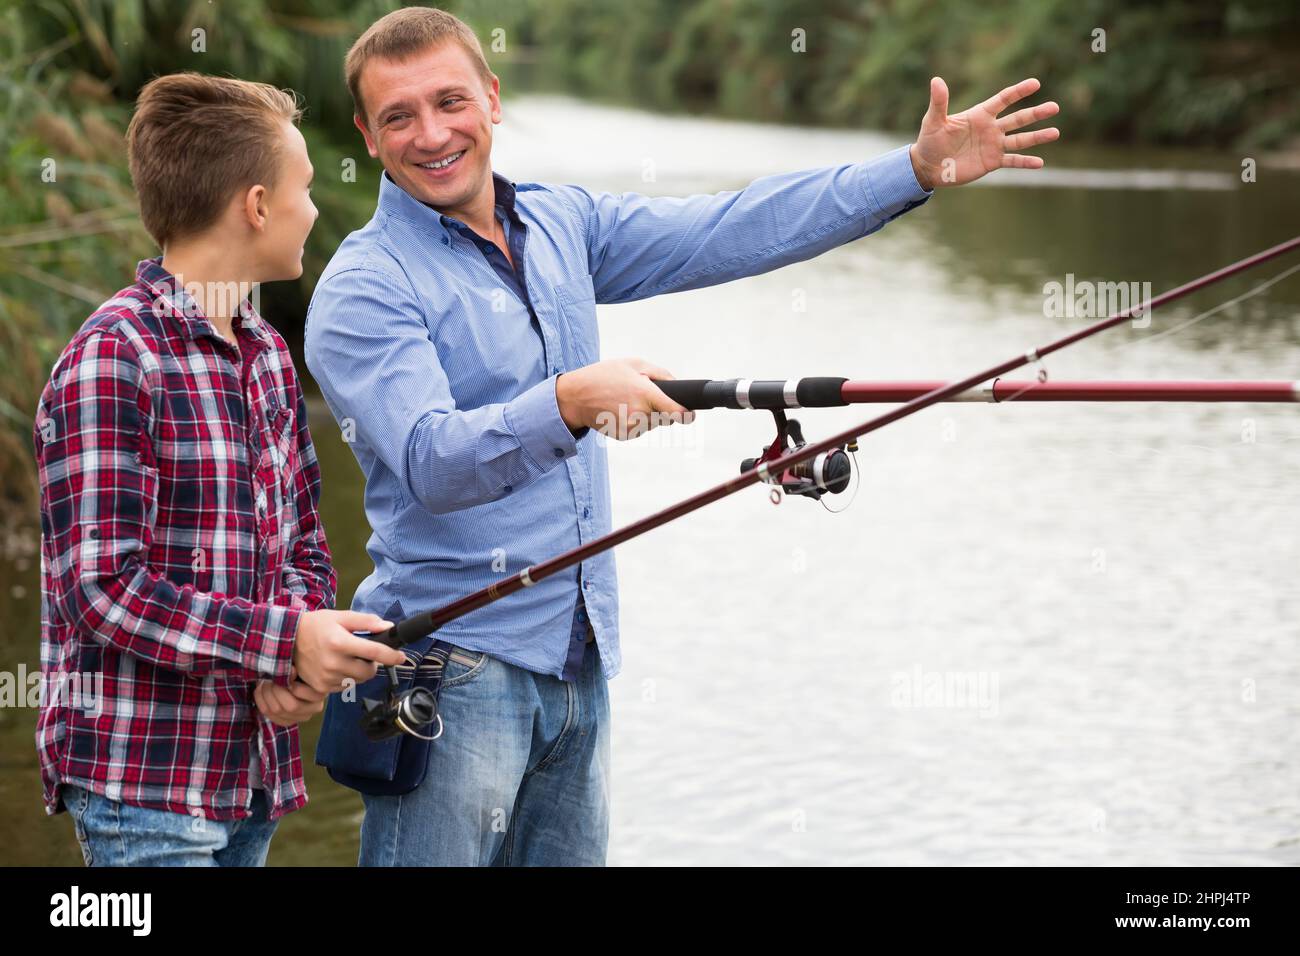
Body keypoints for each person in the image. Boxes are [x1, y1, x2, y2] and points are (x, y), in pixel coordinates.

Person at [306, 6, 1060, 866]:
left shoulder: (561, 224)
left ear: (493, 100)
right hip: (449, 671)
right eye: (399, 116)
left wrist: (911, 170)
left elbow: (726, 228)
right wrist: (571, 401)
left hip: (579, 661)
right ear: (367, 135)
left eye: (450, 102)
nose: (432, 134)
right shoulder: (363, 287)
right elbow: (432, 462)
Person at [33, 72, 406, 867]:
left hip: (251, 779)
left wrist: (300, 665)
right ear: (258, 204)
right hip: (144, 789)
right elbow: (101, 590)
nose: (315, 209)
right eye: (305, 189)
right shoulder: (112, 358)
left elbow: (303, 542)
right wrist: (283, 642)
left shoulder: (269, 354)